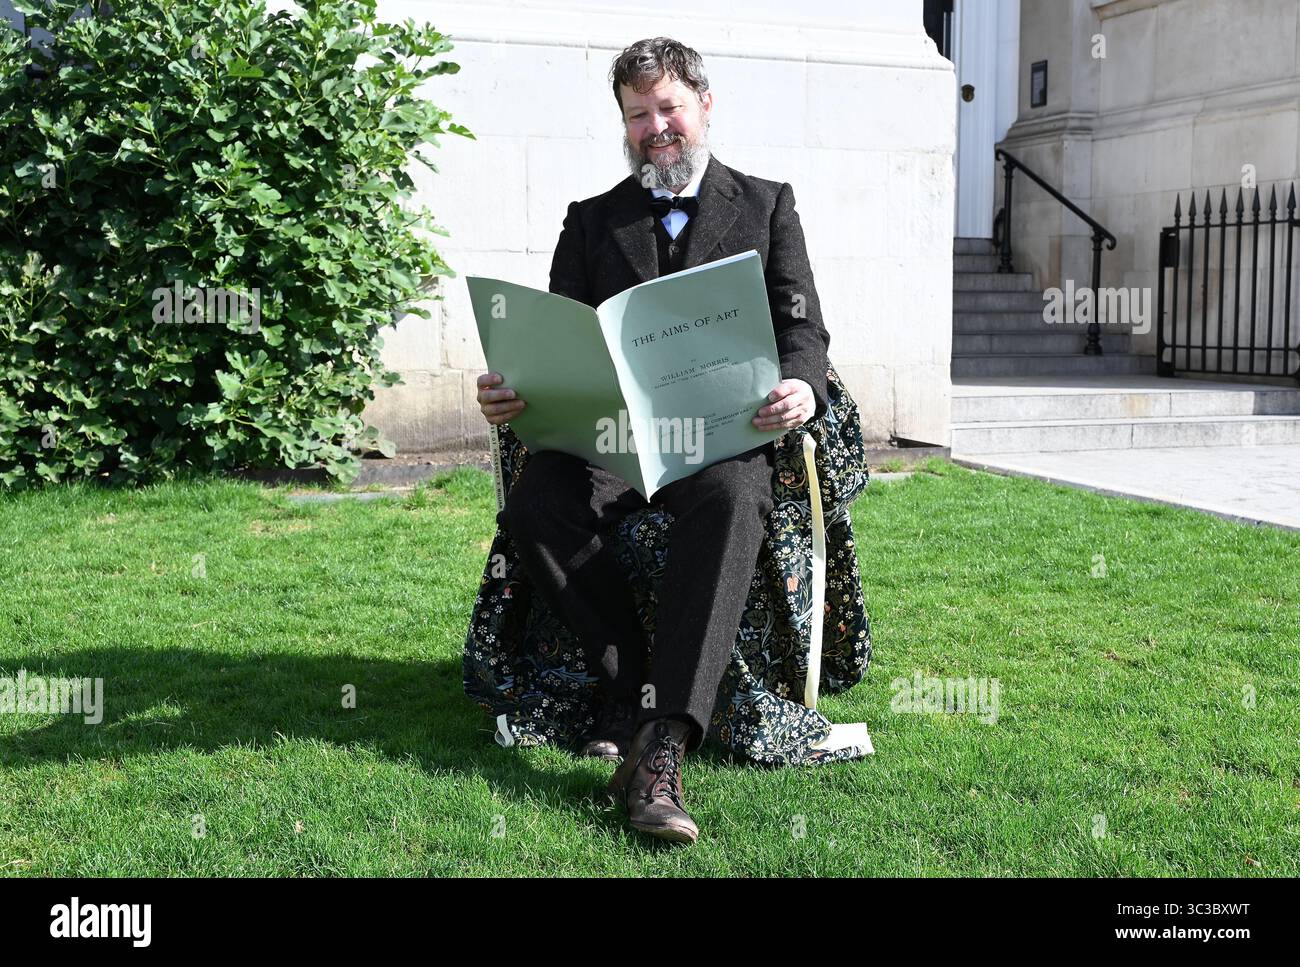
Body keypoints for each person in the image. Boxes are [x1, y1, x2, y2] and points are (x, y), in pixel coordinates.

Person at [474, 37, 831, 844]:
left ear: (705, 106)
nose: (655, 127)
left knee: (740, 499)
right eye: (639, 115)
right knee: (538, 505)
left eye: (668, 107)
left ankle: (664, 740)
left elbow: (802, 324)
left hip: (718, 438)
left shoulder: (768, 204)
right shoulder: (591, 220)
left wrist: (801, 384)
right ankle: (625, 677)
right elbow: (557, 335)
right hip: (611, 439)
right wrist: (512, 388)